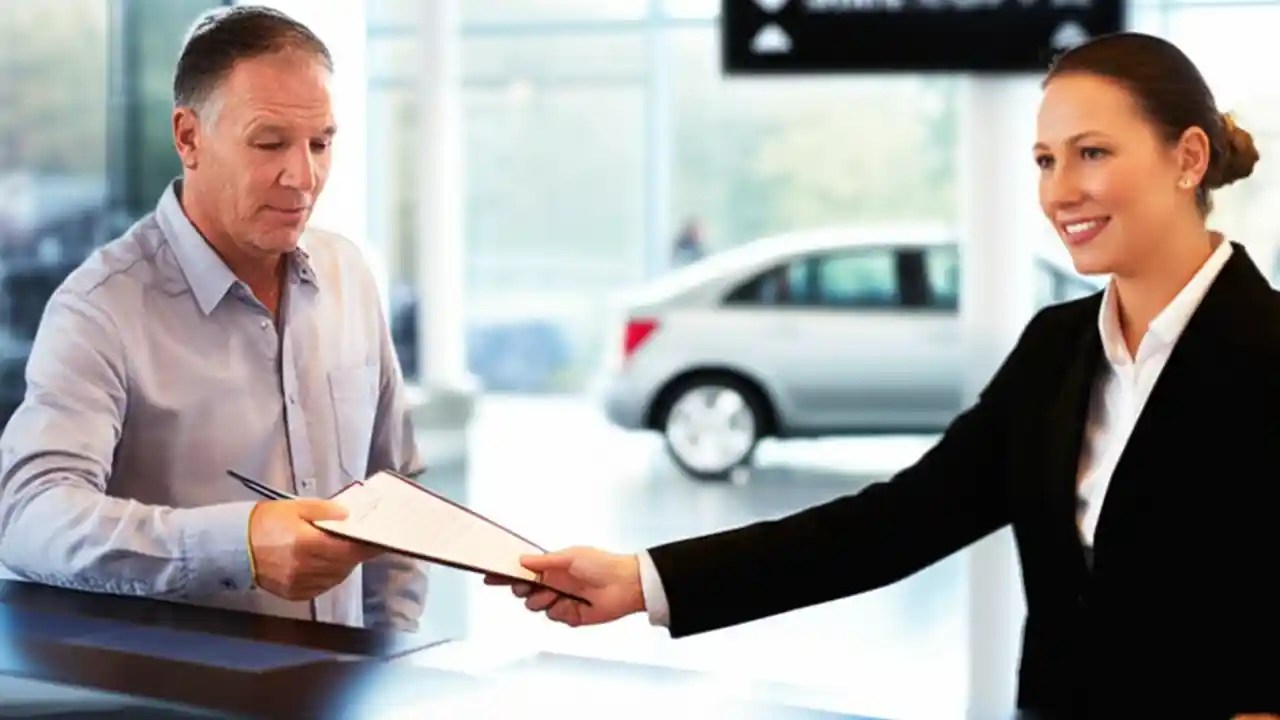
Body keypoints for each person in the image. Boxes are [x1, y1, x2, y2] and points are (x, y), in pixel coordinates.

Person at [489, 32, 1279, 717]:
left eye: (1092, 153)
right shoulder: (1058, 349)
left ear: (1188, 158)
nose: (1059, 191)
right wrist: (641, 581)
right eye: (1045, 160)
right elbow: (895, 524)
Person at [0, 6, 426, 631]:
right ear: (189, 137)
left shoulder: (349, 275)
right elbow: (30, 518)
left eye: (320, 143)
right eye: (269, 143)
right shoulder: (101, 308)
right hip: (183, 683)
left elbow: (393, 490)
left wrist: (391, 652)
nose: (303, 176)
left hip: (346, 677)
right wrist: (238, 545)